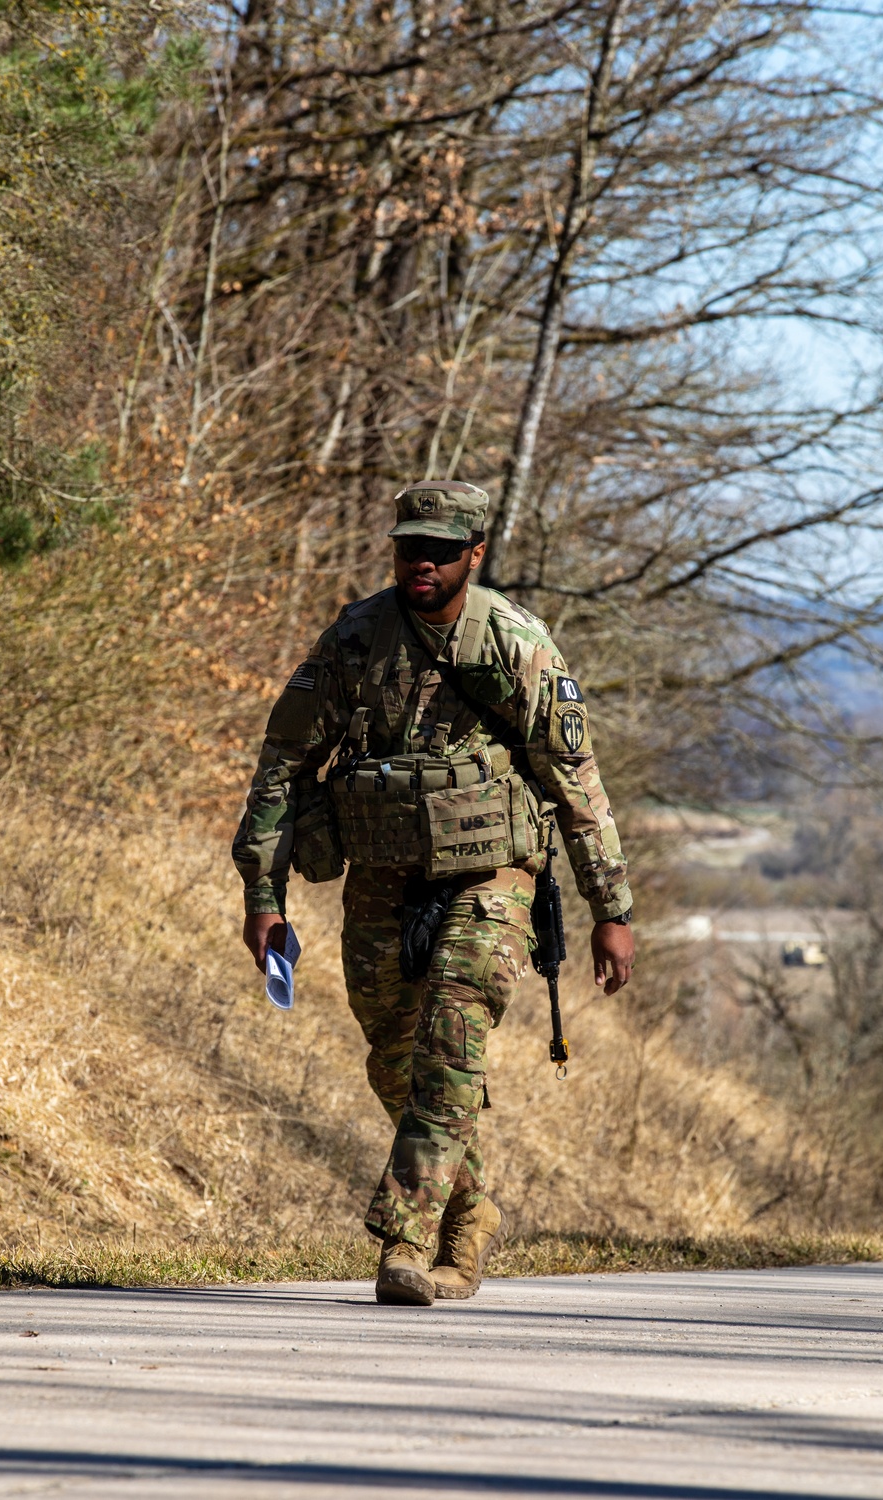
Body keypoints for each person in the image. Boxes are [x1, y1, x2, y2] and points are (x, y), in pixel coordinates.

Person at [233, 481, 634, 1306]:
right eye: (411, 547)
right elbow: (283, 765)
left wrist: (611, 909)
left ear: (474, 555)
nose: (424, 562)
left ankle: (407, 1240)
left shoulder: (517, 643)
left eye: (443, 551)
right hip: (383, 873)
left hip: (494, 874)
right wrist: (263, 895)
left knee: (451, 1035)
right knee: (394, 1056)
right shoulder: (354, 640)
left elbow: (575, 778)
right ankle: (472, 1207)